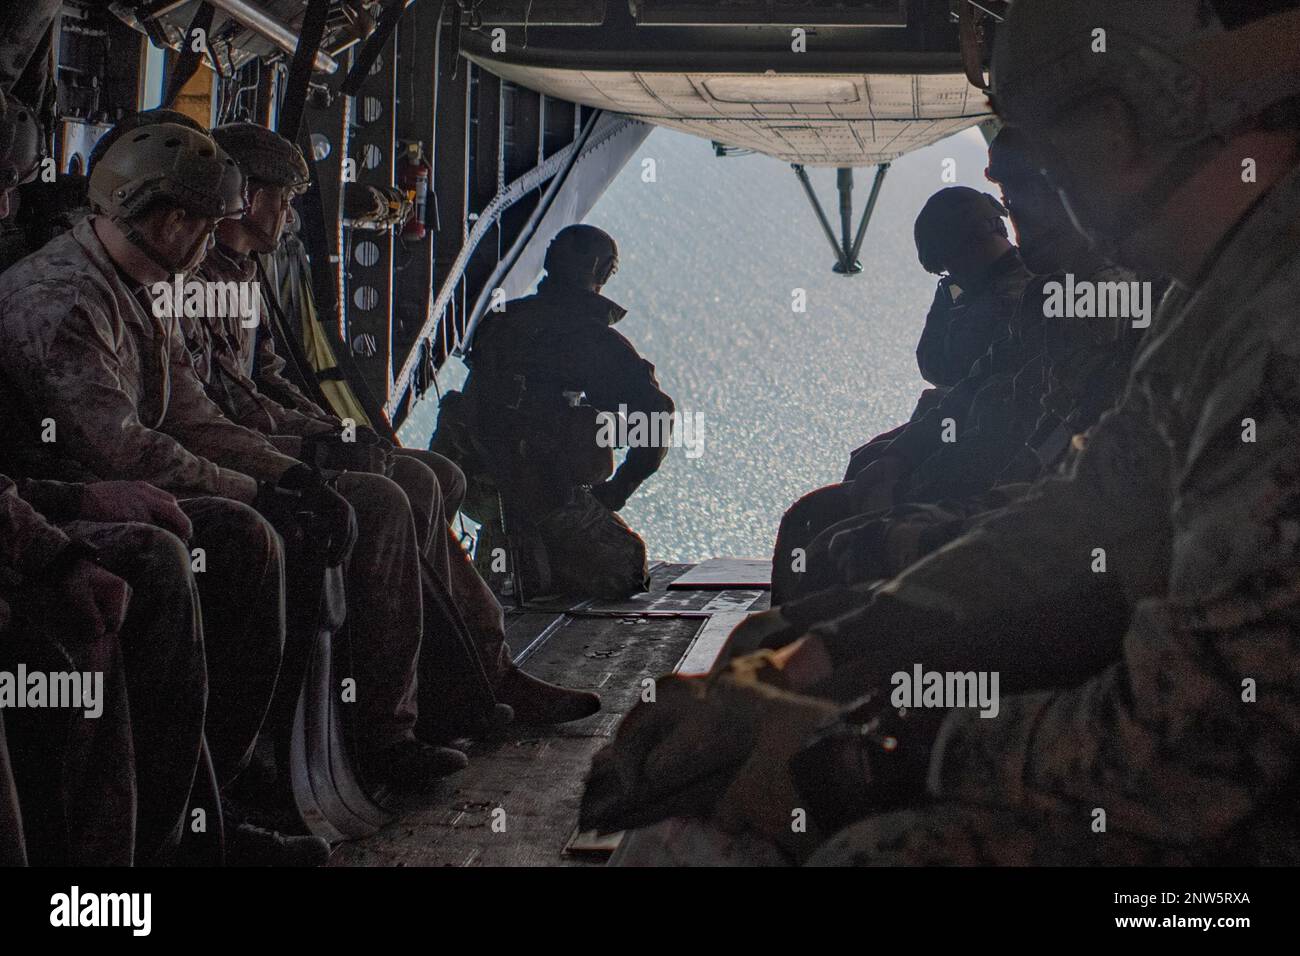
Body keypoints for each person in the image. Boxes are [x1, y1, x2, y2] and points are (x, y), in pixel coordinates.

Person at [581, 0, 1300, 866]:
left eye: (1042, 150)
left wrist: (863, 754)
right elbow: (1085, 514)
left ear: (1114, 129)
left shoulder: (1273, 339)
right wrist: (822, 658)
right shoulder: (1210, 296)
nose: (1037, 188)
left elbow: (1198, 748)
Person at [191, 120, 599, 730]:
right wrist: (315, 444)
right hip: (231, 456)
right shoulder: (194, 283)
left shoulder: (244, 275)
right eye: (283, 197)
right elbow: (217, 407)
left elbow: (267, 379)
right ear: (245, 196)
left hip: (263, 437)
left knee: (431, 474)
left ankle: (475, 670)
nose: (289, 213)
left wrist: (335, 433)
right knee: (392, 492)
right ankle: (395, 720)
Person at [435, 224, 673, 601]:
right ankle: (536, 547)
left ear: (549, 258)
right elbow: (656, 419)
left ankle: (506, 542)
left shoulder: (499, 320)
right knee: (628, 568)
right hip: (543, 494)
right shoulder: (593, 341)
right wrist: (616, 492)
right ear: (599, 269)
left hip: (471, 486)